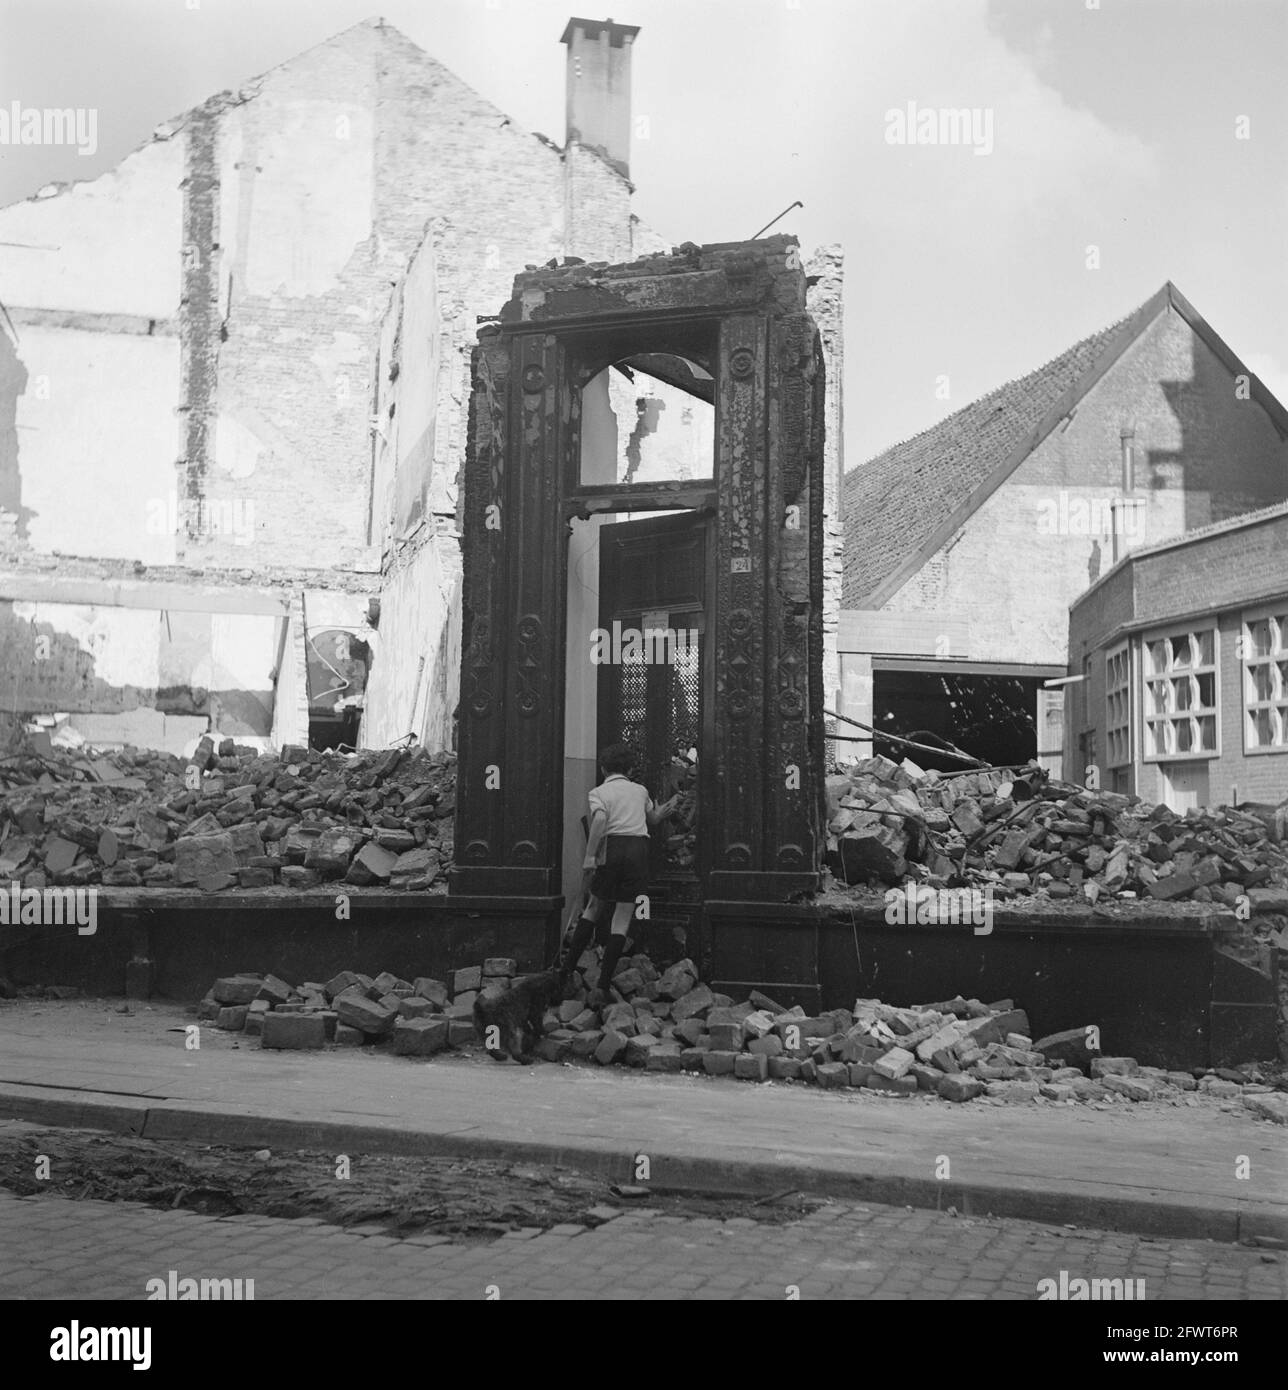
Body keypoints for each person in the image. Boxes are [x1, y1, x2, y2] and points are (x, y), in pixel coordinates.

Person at [559, 743, 679, 1001]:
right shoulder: (640, 790)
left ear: (603, 769)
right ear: (631, 769)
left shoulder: (598, 792)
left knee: (593, 907)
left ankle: (565, 971)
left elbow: (601, 820)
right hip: (638, 850)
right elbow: (653, 820)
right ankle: (603, 984)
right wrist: (663, 811)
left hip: (611, 848)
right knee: (622, 918)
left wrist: (590, 856)